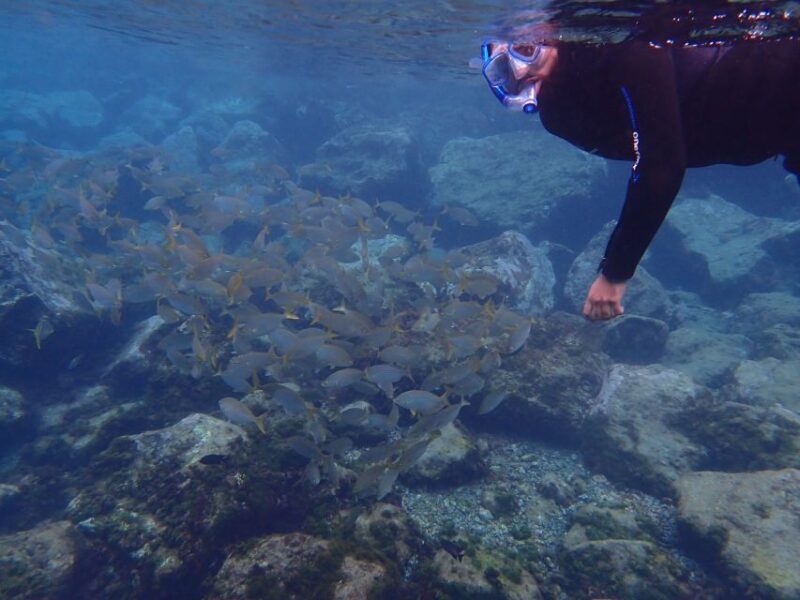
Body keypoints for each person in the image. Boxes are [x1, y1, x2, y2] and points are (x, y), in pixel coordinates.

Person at [481, 35, 800, 320]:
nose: (520, 72)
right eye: (504, 72)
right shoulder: (562, 112)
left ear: (554, 33)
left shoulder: (627, 48)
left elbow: (662, 166)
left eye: (525, 51)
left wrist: (615, 273)